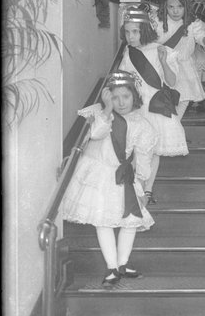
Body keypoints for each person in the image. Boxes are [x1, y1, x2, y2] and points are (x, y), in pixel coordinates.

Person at [60, 71, 156, 287]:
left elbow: (143, 156)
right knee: (102, 221)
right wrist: (107, 109)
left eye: (126, 97)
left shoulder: (141, 124)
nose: (121, 102)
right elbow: (96, 133)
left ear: (135, 97)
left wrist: (142, 184)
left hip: (124, 176)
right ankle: (112, 267)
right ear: (107, 97)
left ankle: (123, 263)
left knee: (130, 221)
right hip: (100, 175)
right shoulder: (100, 115)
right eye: (115, 97)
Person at [118, 5, 188, 201]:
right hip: (135, 108)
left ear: (145, 30)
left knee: (154, 149)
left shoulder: (159, 50)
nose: (130, 36)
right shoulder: (128, 52)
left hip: (154, 106)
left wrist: (164, 62)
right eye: (127, 32)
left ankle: (147, 190)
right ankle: (136, 188)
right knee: (136, 150)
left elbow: (172, 82)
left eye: (135, 32)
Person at [155, 0, 205, 117]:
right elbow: (153, 41)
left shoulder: (192, 23)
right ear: (165, 6)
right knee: (166, 98)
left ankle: (176, 124)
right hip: (164, 66)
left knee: (184, 98)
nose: (175, 11)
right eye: (171, 7)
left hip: (184, 66)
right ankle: (171, 126)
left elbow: (201, 37)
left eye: (180, 7)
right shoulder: (159, 22)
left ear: (186, 6)